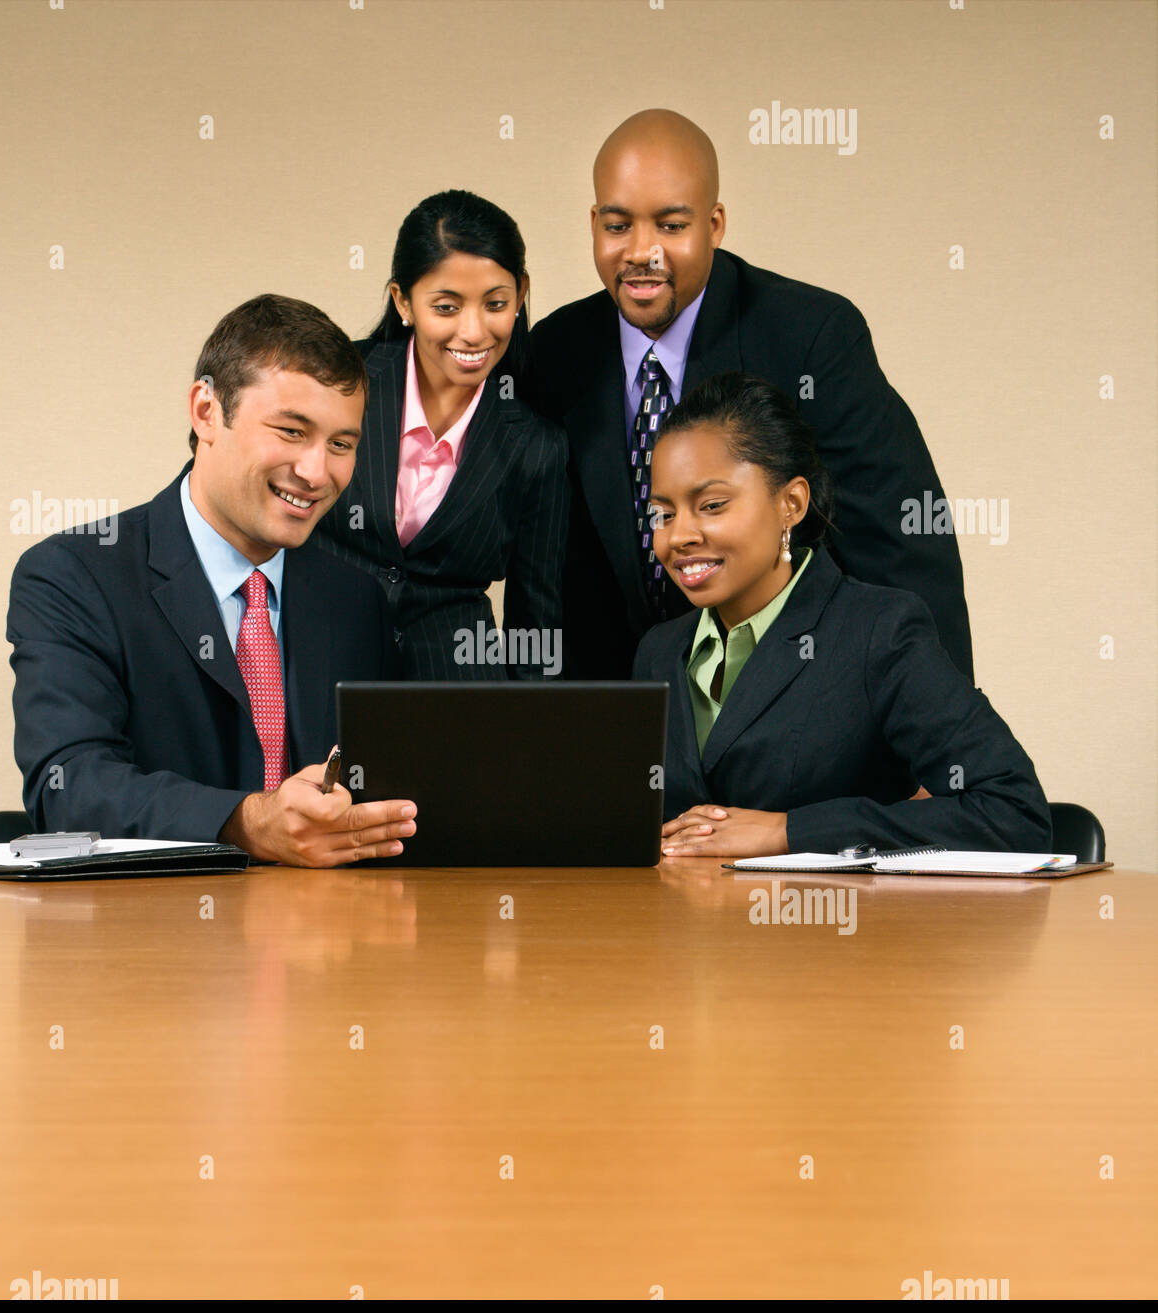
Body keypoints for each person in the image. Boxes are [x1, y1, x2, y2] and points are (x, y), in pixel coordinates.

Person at [526, 109, 973, 682]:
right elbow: (549, 570)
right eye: (617, 226)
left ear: (714, 225)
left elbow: (902, 544)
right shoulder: (557, 351)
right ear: (593, 223)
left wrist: (938, 735)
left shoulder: (811, 335)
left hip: (799, 701)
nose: (642, 252)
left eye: (670, 225)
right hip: (629, 714)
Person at [6, 294, 419, 867]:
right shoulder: (73, 576)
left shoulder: (357, 600)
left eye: (341, 444)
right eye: (292, 431)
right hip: (153, 939)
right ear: (206, 411)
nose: (317, 472)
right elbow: (69, 786)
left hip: (326, 940)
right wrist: (248, 821)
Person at [633, 372, 1050, 858]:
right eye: (662, 514)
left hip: (837, 927)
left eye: (712, 505)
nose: (678, 535)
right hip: (677, 931)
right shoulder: (659, 651)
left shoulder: (879, 631)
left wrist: (788, 832)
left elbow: (1013, 812)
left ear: (791, 503)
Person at [315, 189, 568, 679]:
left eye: (496, 303)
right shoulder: (337, 380)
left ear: (520, 295)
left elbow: (534, 623)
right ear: (403, 301)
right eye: (447, 307)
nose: (474, 332)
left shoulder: (538, 448)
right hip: (316, 662)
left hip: (457, 692)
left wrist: (530, 742)